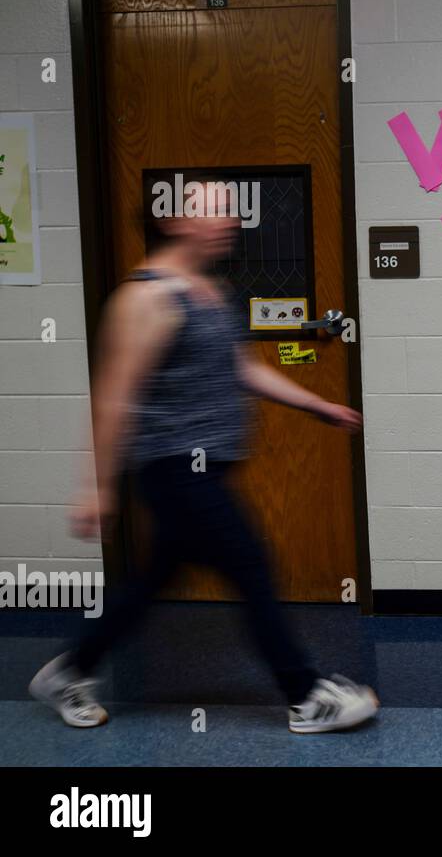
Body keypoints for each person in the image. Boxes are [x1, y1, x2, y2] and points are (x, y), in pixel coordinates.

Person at [29, 185, 379, 733]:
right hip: (172, 469)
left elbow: (243, 368)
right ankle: (307, 696)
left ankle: (69, 671)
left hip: (207, 466)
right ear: (174, 220)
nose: (228, 220)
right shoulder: (146, 298)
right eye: (212, 211)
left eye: (229, 210)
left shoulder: (211, 290)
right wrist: (95, 487)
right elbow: (113, 397)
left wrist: (315, 404)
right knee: (251, 566)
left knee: (152, 581)